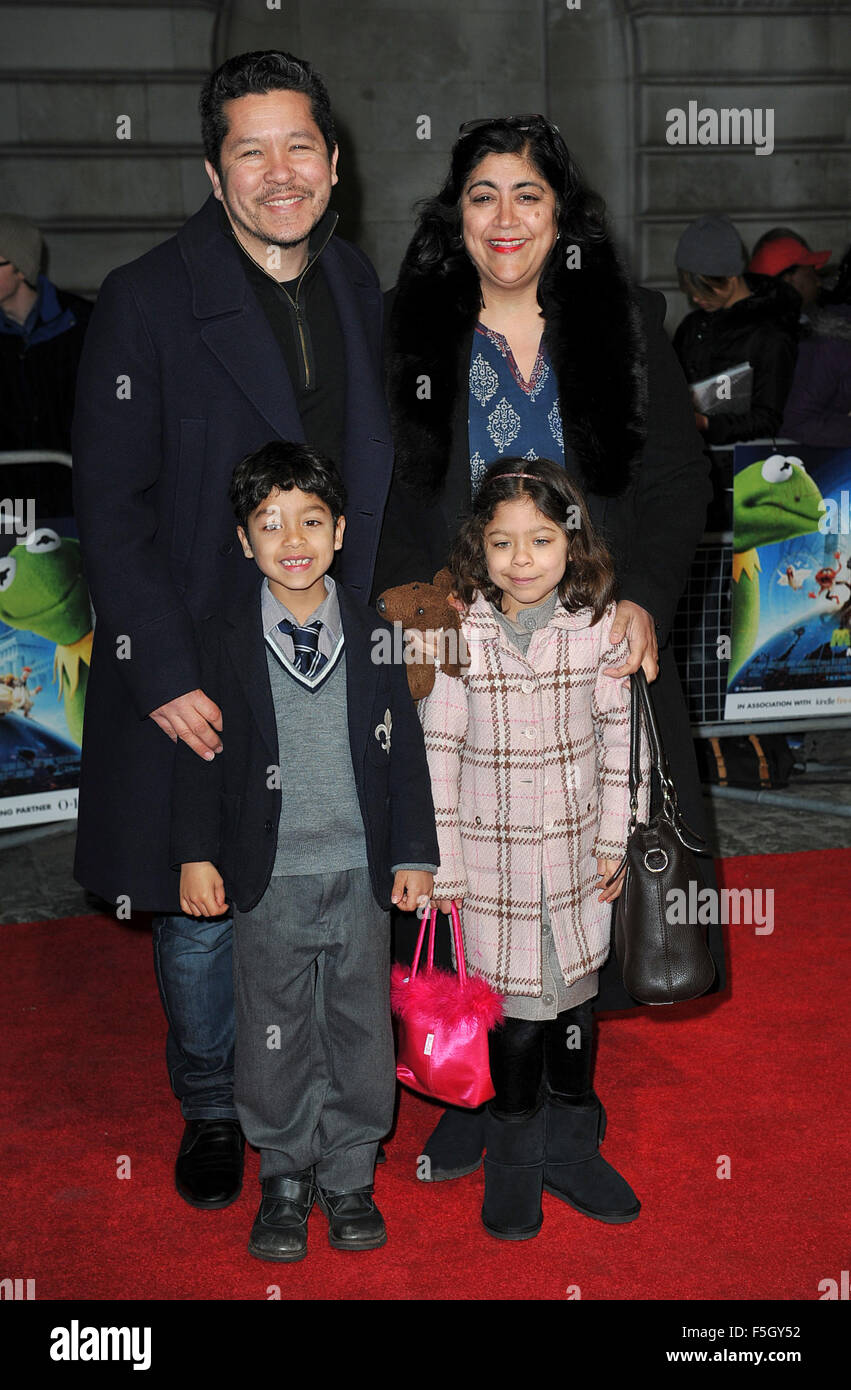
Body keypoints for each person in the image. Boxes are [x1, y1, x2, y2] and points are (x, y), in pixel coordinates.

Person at [374, 114, 723, 1188]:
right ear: (455, 217)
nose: (505, 217)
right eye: (481, 195)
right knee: (459, 879)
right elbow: (380, 494)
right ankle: (476, 1093)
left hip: (594, 658)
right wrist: (409, 616)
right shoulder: (406, 337)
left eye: (527, 194)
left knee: (583, 885)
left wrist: (645, 603)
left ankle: (569, 1113)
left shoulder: (618, 328)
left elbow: (674, 485)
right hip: (460, 669)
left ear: (562, 215)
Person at [71, 50, 393, 1212]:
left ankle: (328, 1088)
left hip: (329, 651)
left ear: (333, 160)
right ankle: (211, 1102)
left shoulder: (358, 284)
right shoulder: (146, 300)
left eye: (297, 146)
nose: (277, 172)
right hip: (200, 655)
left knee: (327, 881)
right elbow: (109, 506)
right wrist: (157, 665)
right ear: (215, 174)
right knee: (204, 893)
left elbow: (379, 477)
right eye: (249, 151)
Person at [171, 442, 437, 1260]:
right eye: (270, 523)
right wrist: (196, 853)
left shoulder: (375, 633)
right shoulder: (217, 638)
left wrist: (411, 854)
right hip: (267, 877)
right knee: (274, 1027)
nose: (293, 538)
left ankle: (350, 1170)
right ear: (245, 541)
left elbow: (407, 757)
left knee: (359, 1024)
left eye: (311, 520)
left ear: (342, 531)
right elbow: (199, 757)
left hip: (359, 874)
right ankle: (285, 1173)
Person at [418, 458, 645, 1238]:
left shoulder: (597, 628)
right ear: (477, 548)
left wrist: (616, 836)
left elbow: (622, 744)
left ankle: (573, 1150)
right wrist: (442, 862)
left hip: (578, 869)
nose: (521, 560)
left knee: (575, 1011)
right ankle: (513, 1157)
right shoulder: (460, 632)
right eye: (502, 542)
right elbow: (437, 754)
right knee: (512, 1022)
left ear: (571, 542)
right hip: (489, 874)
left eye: (541, 540)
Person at [672, 213, 799, 445]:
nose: (696, 298)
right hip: (693, 457)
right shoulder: (692, 326)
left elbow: (768, 418)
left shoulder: (771, 335)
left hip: (738, 465)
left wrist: (706, 424)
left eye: (705, 288)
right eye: (690, 289)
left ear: (731, 277)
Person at [0, 213, 92, 515]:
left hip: (74, 492)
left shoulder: (83, 323)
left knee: (67, 560)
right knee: (19, 560)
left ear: (22, 268)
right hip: (10, 499)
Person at [747, 233, 851, 448]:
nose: (817, 278)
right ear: (789, 279)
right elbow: (796, 419)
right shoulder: (816, 341)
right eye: (810, 270)